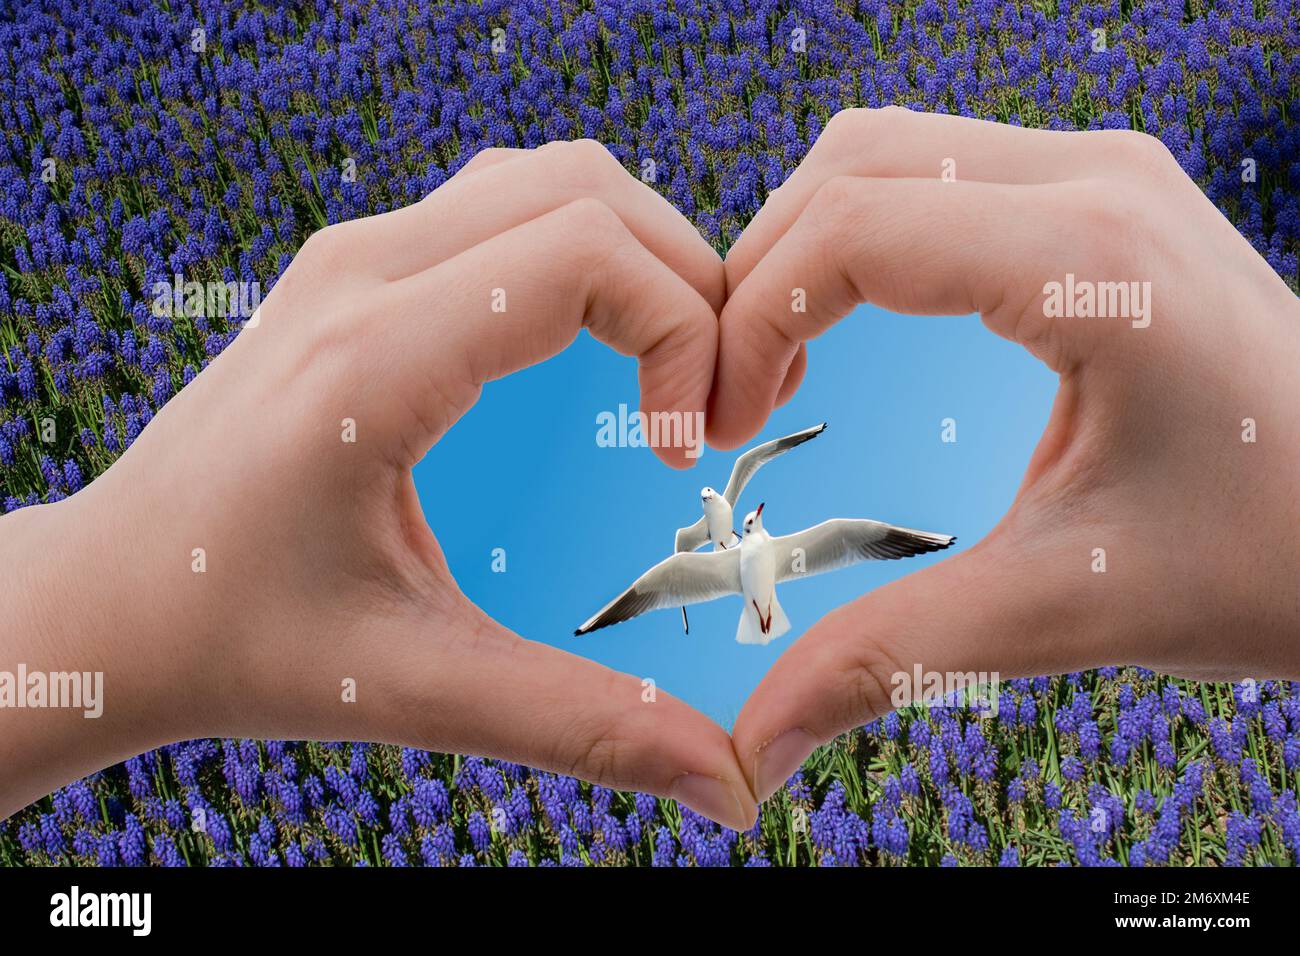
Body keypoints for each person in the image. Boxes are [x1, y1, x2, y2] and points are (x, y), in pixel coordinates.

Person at [1, 110, 1296, 831]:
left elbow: (839, 536)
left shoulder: (778, 545)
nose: (726, 516)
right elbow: (659, 584)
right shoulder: (706, 553)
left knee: (847, 546)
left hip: (767, 590)